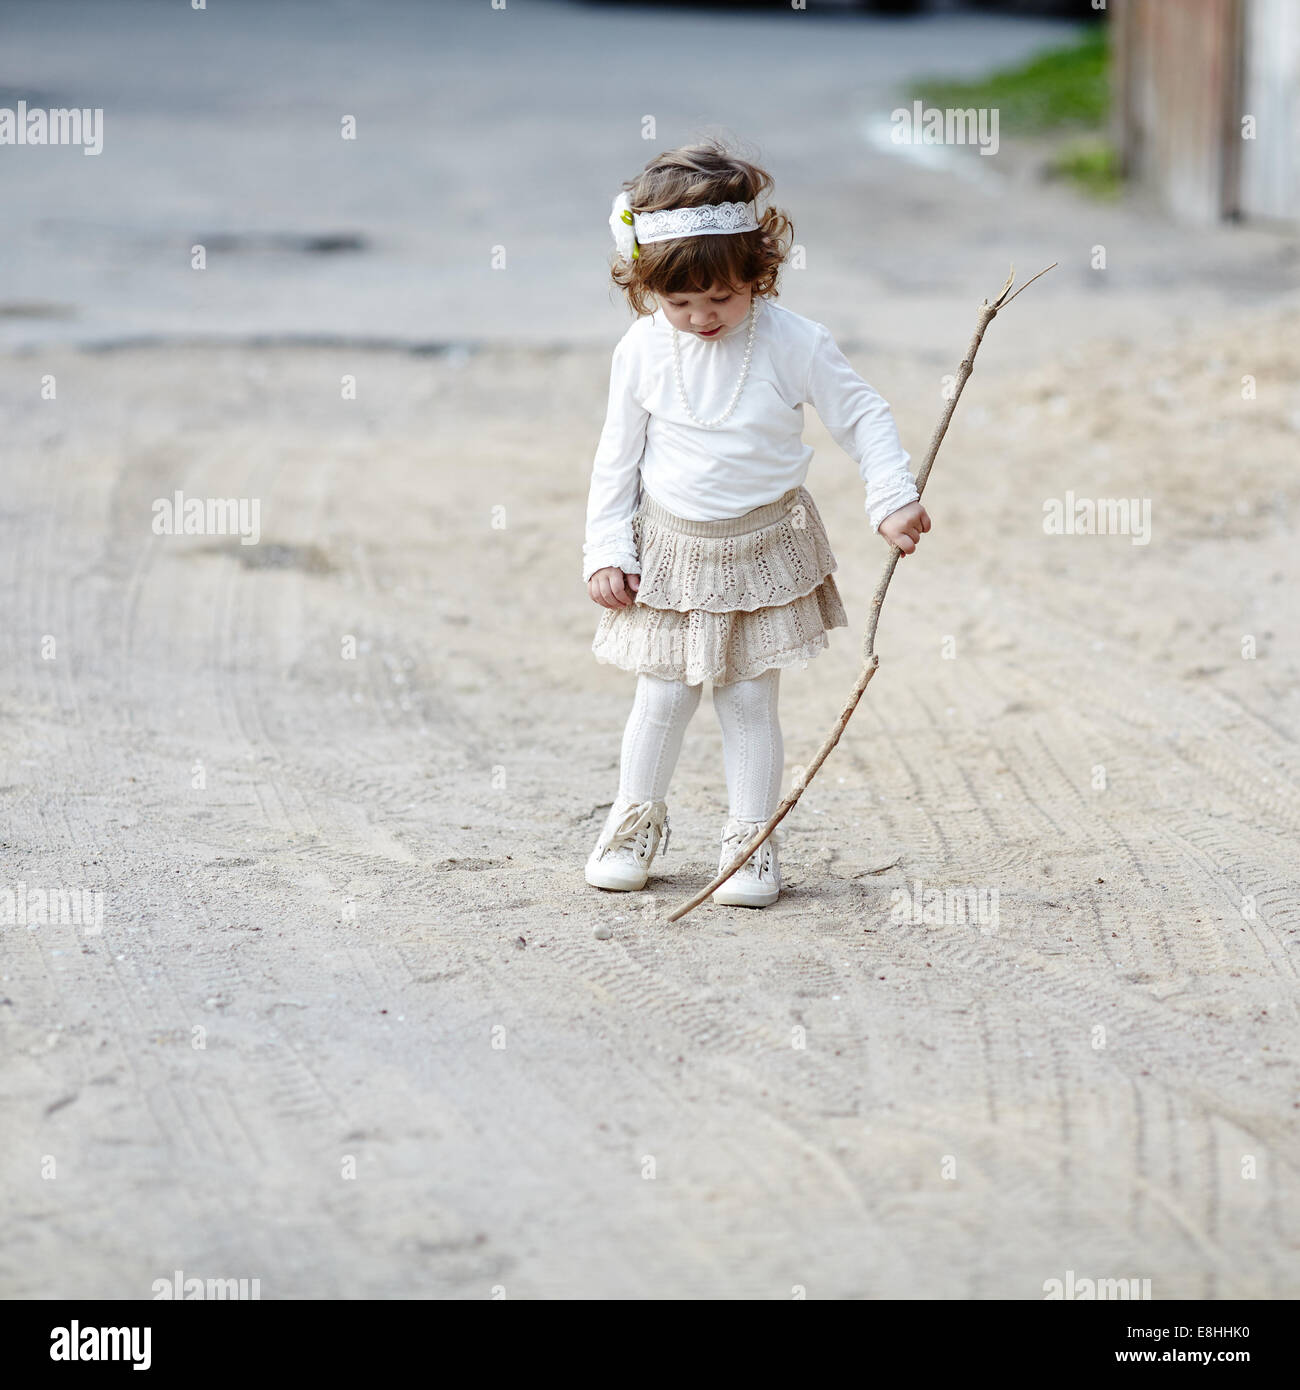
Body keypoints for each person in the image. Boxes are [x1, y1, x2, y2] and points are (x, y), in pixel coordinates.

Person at [583, 141, 930, 907]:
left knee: (746, 698)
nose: (703, 318)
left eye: (722, 299)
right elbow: (617, 457)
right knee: (664, 694)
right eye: (681, 304)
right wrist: (607, 547)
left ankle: (750, 839)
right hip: (670, 549)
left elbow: (864, 416)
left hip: (763, 547)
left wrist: (891, 496)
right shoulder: (642, 349)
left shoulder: (793, 342)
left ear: (758, 273)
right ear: (647, 288)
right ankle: (633, 820)